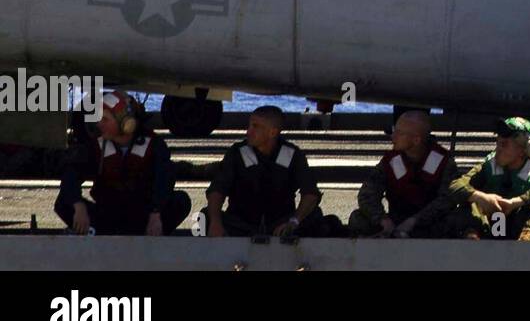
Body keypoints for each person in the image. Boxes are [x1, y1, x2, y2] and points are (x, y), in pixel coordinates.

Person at [55, 90, 191, 236]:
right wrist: (78, 205)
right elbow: (72, 173)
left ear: (126, 124)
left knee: (180, 201)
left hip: (142, 213)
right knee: (64, 202)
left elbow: (164, 181)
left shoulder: (153, 145)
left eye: (105, 120)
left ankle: (148, 233)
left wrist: (155, 213)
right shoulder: (96, 146)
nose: (100, 124)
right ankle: (100, 232)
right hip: (107, 213)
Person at [205, 105, 337, 238]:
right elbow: (217, 190)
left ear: (272, 132)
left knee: (317, 218)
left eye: (255, 127)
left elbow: (310, 193)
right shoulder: (237, 153)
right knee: (205, 217)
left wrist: (293, 222)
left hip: (281, 226)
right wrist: (215, 222)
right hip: (241, 225)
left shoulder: (291, 154)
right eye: (249, 126)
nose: (248, 132)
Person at [443, 117, 530, 240]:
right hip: (494, 226)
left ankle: (526, 239)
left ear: (524, 150)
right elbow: (456, 185)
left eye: (504, 144)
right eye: (497, 143)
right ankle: (472, 239)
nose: (498, 149)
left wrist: (517, 202)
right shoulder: (489, 165)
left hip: (519, 225)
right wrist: (481, 197)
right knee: (469, 203)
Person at [349, 110, 458, 237]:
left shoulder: (443, 161)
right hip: (396, 222)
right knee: (358, 218)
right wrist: (382, 220)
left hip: (430, 223)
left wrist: (415, 221)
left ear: (416, 140)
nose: (393, 137)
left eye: (399, 133)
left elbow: (447, 199)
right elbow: (367, 194)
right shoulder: (392, 160)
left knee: (459, 219)